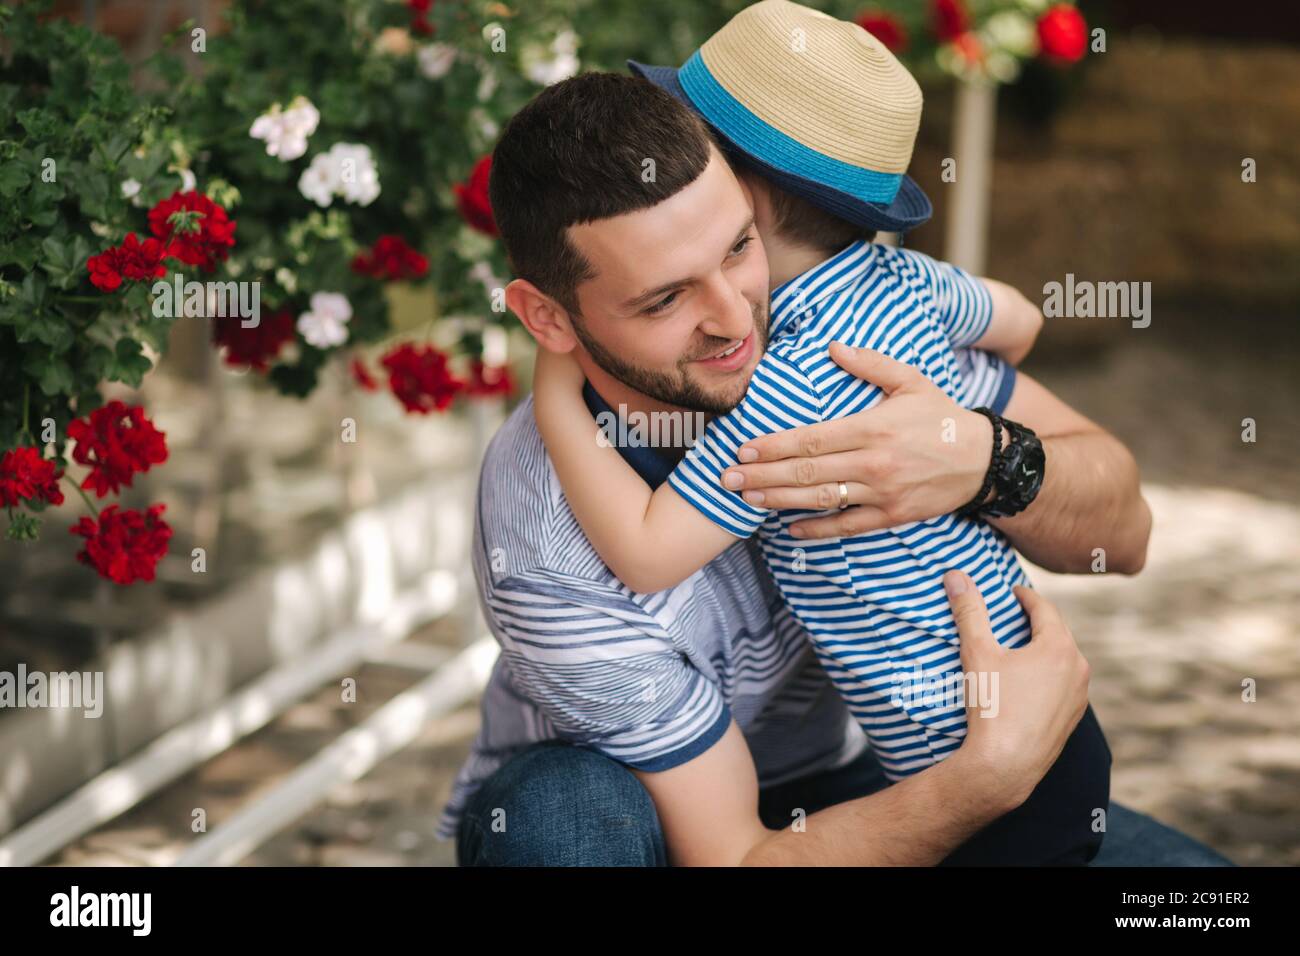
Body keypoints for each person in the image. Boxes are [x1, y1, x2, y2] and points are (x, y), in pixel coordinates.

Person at [436, 62, 1226, 868]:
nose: (734, 317)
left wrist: (981, 454)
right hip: (663, 815)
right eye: (664, 299)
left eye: (739, 246)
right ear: (547, 316)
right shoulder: (545, 551)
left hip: (871, 770)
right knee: (561, 820)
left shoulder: (847, 330)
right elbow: (738, 856)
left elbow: (1127, 532)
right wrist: (989, 776)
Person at [531, 0, 1111, 866]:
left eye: (689, 145)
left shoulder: (788, 383)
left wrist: (552, 391)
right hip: (1047, 716)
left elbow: (649, 554)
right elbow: (1021, 321)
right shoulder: (912, 281)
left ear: (747, 198)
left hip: (969, 780)